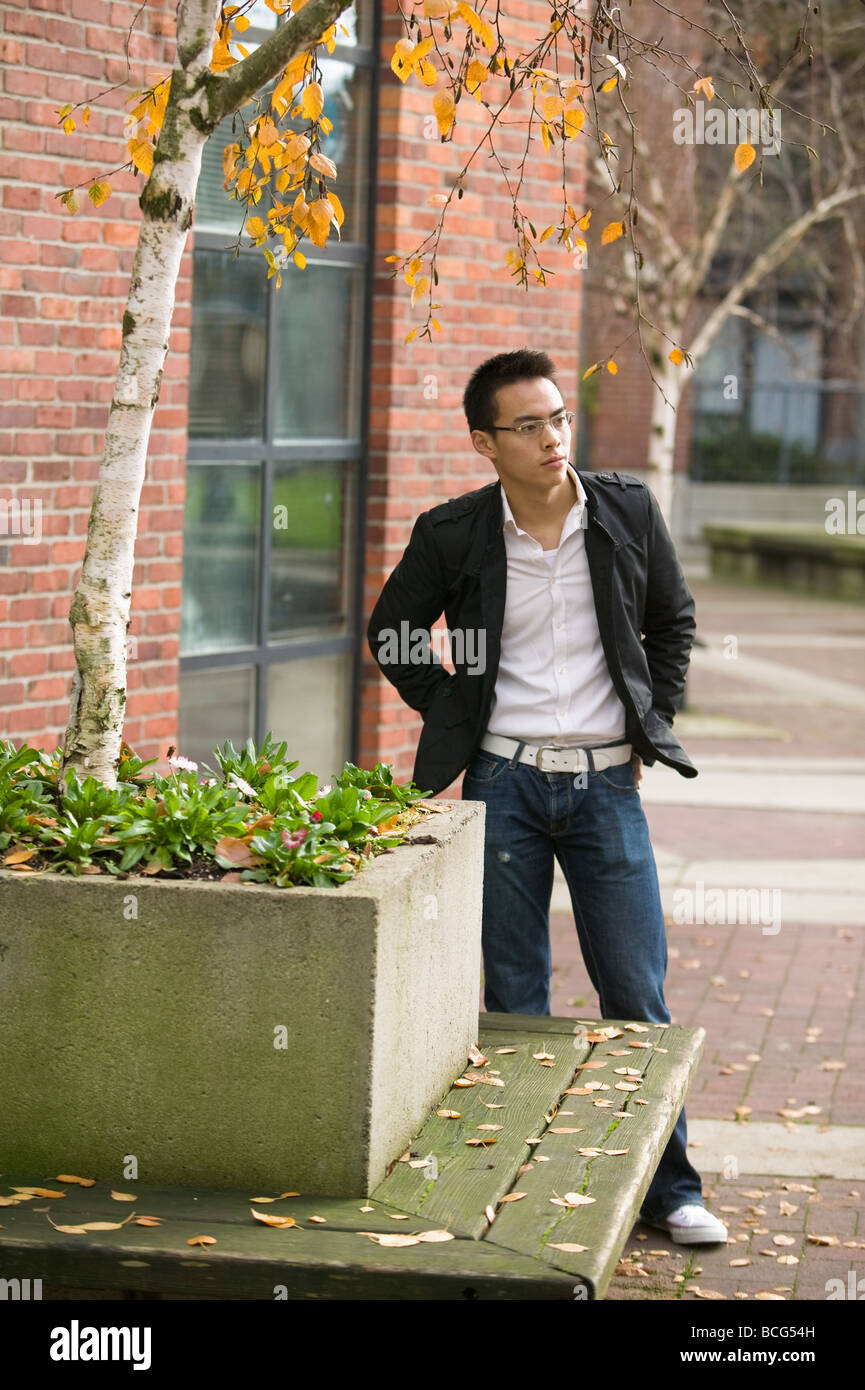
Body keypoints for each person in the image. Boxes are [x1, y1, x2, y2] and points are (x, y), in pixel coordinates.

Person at [367, 348, 727, 1245]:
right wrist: (452, 708)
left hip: (608, 783)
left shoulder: (625, 510)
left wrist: (650, 718)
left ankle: (669, 1190)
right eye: (527, 425)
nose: (551, 437)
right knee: (516, 997)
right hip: (502, 783)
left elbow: (671, 622)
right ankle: (516, 1195)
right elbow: (393, 630)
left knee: (635, 992)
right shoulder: (452, 532)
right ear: (483, 442)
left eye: (557, 417)